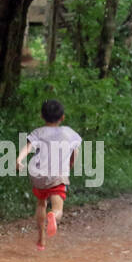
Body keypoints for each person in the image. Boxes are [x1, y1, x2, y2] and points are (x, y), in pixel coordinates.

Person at [16, 99, 83, 251]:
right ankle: (53, 215)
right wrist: (71, 163)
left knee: (41, 203)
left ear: (42, 116)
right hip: (57, 176)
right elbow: (75, 151)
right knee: (57, 208)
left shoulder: (38, 132)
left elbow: (28, 147)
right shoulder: (68, 132)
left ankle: (41, 239)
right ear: (63, 117)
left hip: (39, 175)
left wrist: (19, 160)